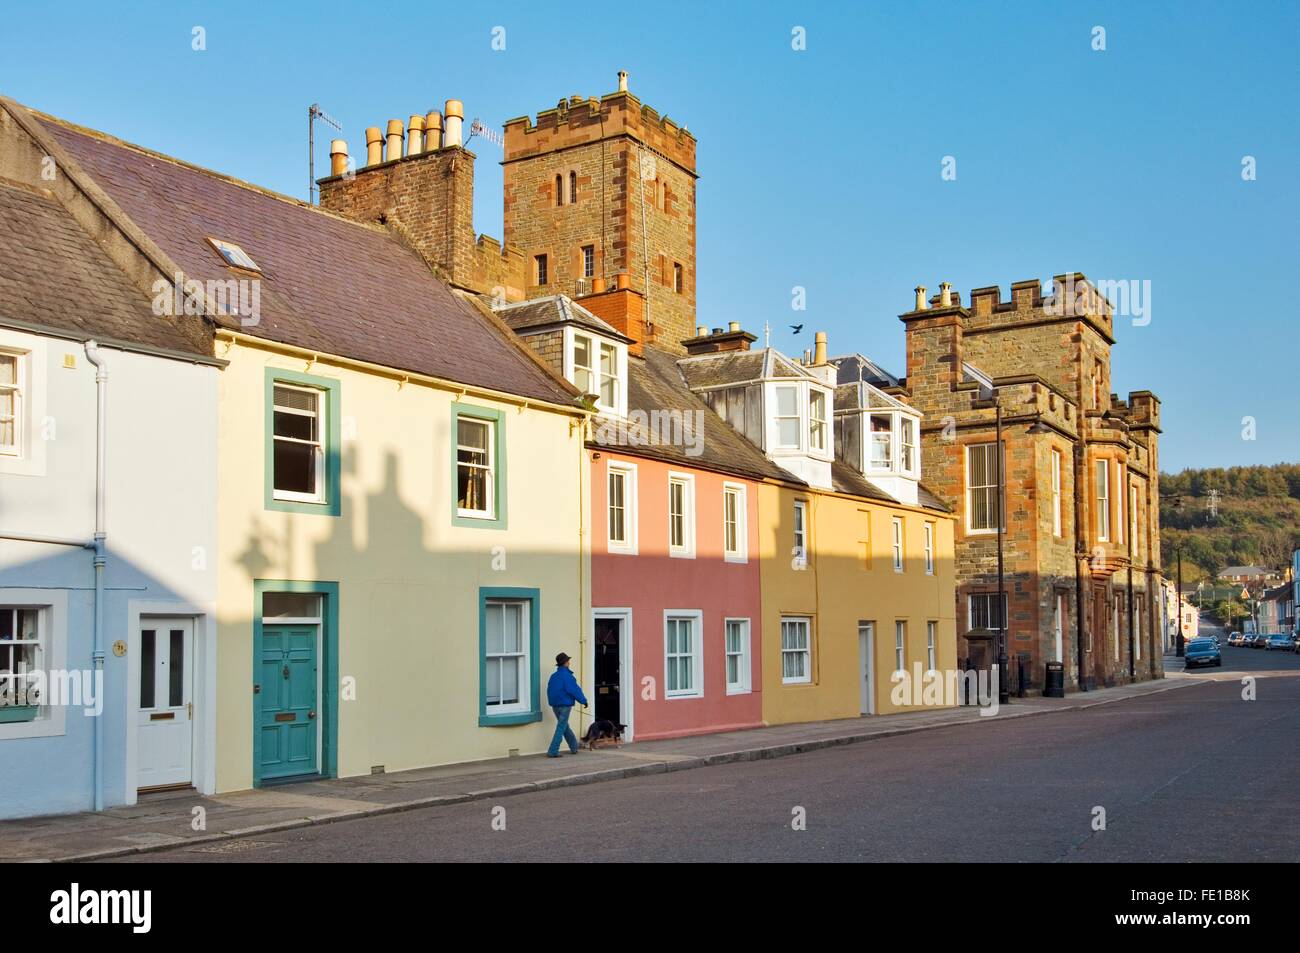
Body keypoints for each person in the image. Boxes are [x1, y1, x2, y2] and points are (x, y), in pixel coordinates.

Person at [545, 652, 588, 757]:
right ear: (564, 663)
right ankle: (553, 751)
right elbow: (574, 690)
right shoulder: (567, 676)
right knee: (561, 727)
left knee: (564, 726)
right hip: (565, 705)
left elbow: (549, 690)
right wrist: (583, 701)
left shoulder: (553, 676)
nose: (569, 662)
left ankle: (574, 747)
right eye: (568, 660)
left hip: (555, 705)